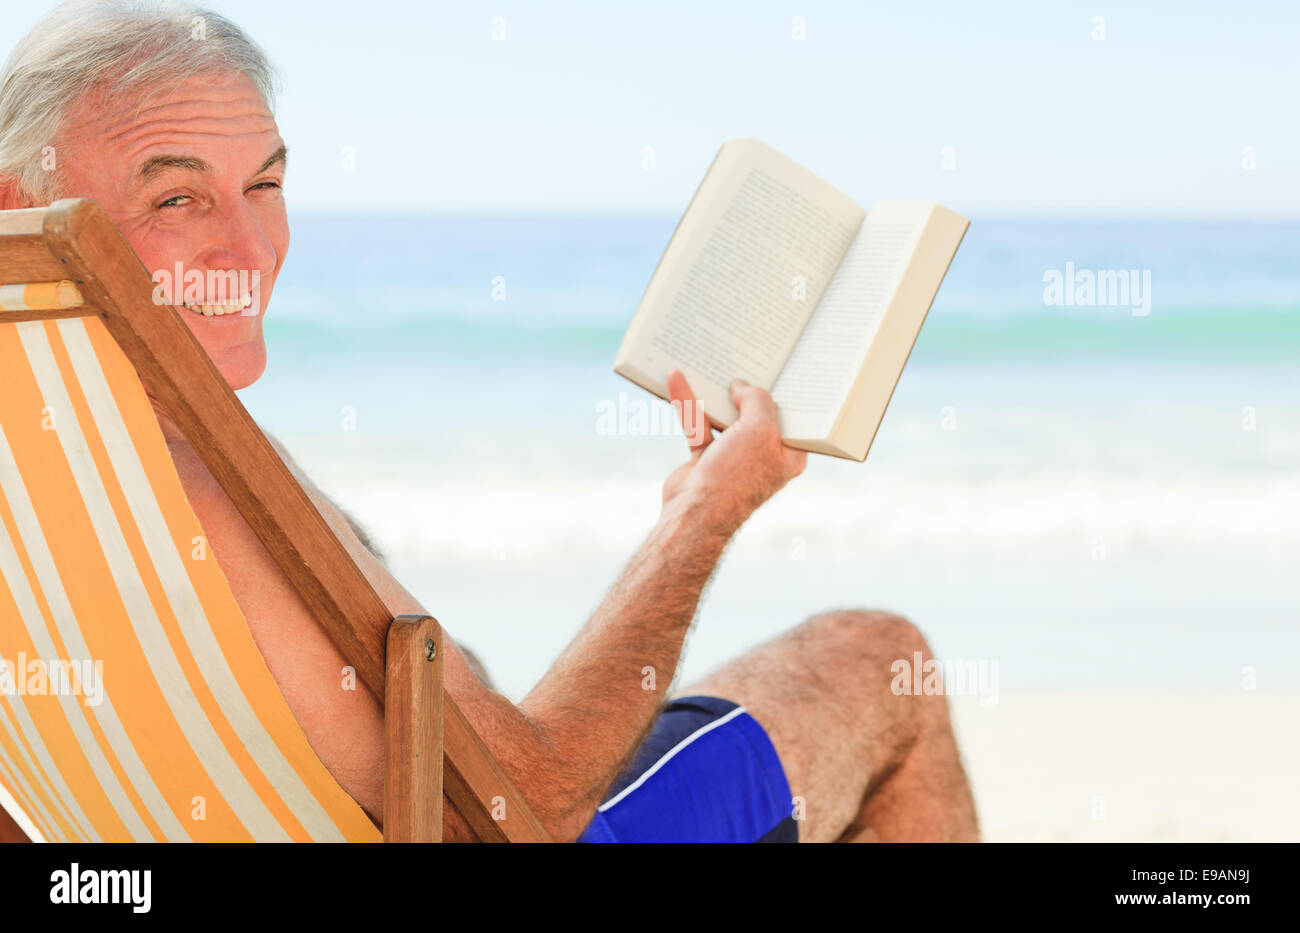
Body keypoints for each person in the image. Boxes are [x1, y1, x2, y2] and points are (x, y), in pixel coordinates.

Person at [0, 0, 978, 842]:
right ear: (18, 202)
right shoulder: (203, 483)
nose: (250, 249)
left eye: (264, 183)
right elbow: (533, 806)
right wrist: (703, 514)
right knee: (877, 656)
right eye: (176, 197)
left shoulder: (38, 464)